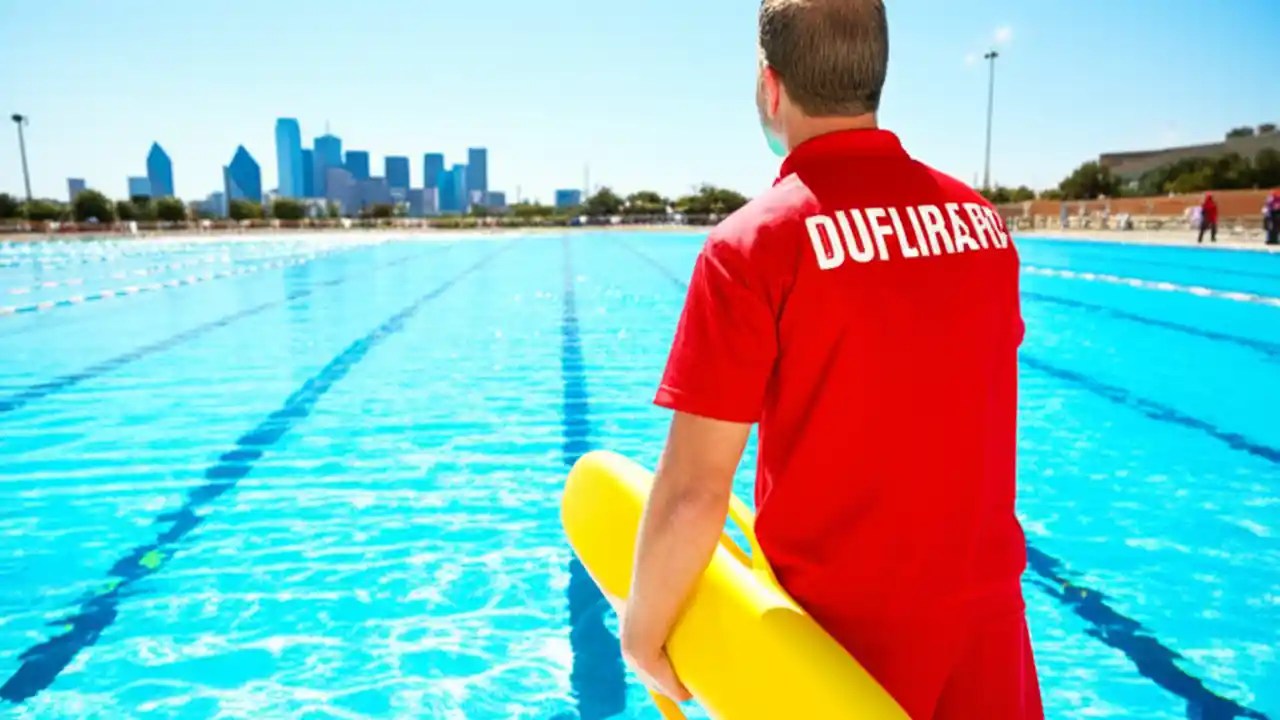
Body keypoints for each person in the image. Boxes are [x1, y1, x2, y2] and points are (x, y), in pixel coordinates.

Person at [619, 1, 1042, 718]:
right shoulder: (983, 224)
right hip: (989, 641)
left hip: (834, 658)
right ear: (874, 76)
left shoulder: (752, 246)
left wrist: (642, 633)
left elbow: (694, 491)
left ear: (769, 85)